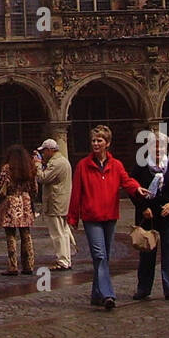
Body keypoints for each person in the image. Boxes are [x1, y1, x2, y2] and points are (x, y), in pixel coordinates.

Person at [66, 125, 143, 310]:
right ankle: (108, 294)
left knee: (105, 257)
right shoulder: (83, 166)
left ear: (107, 143)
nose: (95, 143)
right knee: (99, 256)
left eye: (99, 140)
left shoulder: (116, 165)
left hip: (110, 216)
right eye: (93, 140)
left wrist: (137, 188)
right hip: (92, 217)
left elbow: (126, 180)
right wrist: (73, 217)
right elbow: (76, 192)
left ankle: (96, 294)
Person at [131, 134, 169, 301]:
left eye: (160, 145)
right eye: (154, 145)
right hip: (149, 216)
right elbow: (133, 189)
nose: (157, 149)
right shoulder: (141, 166)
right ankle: (143, 289)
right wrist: (143, 207)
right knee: (147, 254)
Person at [0, 144, 38, 276]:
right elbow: (34, 188)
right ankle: (29, 265)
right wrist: (30, 199)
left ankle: (13, 266)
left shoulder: (7, 169)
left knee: (11, 235)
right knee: (26, 235)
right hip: (25, 202)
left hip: (11, 202)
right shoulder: (30, 168)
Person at [34, 140, 74, 269]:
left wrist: (38, 164)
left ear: (50, 150)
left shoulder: (57, 163)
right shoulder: (61, 161)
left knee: (57, 233)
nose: (43, 154)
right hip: (61, 202)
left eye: (44, 151)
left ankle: (63, 261)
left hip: (55, 203)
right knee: (63, 231)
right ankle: (66, 258)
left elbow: (42, 178)